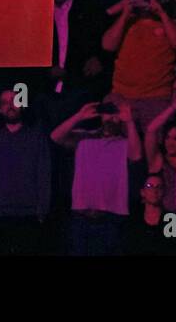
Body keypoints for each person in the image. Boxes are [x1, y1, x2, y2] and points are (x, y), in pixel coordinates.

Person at [50, 99, 142, 256]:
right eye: (108, 112)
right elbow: (55, 137)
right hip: (81, 217)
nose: (111, 117)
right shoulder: (84, 138)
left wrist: (130, 121)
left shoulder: (125, 142)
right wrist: (79, 116)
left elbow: (136, 155)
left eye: (115, 113)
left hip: (111, 220)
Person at [0, 89, 52, 256]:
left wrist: (41, 212)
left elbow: (44, 177)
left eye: (14, 101)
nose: (10, 106)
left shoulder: (36, 139)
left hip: (28, 216)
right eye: (5, 102)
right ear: (0, 109)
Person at [102, 0, 176, 130]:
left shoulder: (168, 23)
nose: (145, 1)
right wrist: (125, 14)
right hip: (122, 96)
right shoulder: (127, 22)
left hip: (156, 99)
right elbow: (108, 45)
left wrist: (162, 13)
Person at [124, 171, 176, 255]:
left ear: (164, 191)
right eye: (149, 186)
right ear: (142, 192)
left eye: (159, 187)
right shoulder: (134, 220)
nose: (154, 190)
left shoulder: (170, 219)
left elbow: (174, 248)